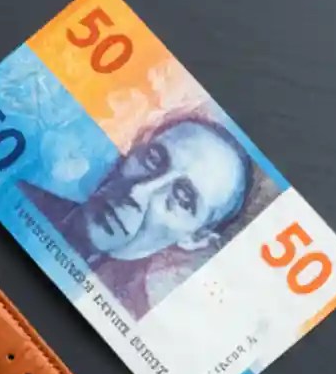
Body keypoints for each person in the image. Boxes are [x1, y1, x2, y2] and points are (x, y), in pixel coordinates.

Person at [20, 115, 252, 317]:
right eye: (153, 159)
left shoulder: (121, 320)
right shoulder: (20, 193)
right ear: (133, 148)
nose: (137, 191)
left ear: (196, 238)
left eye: (182, 198)